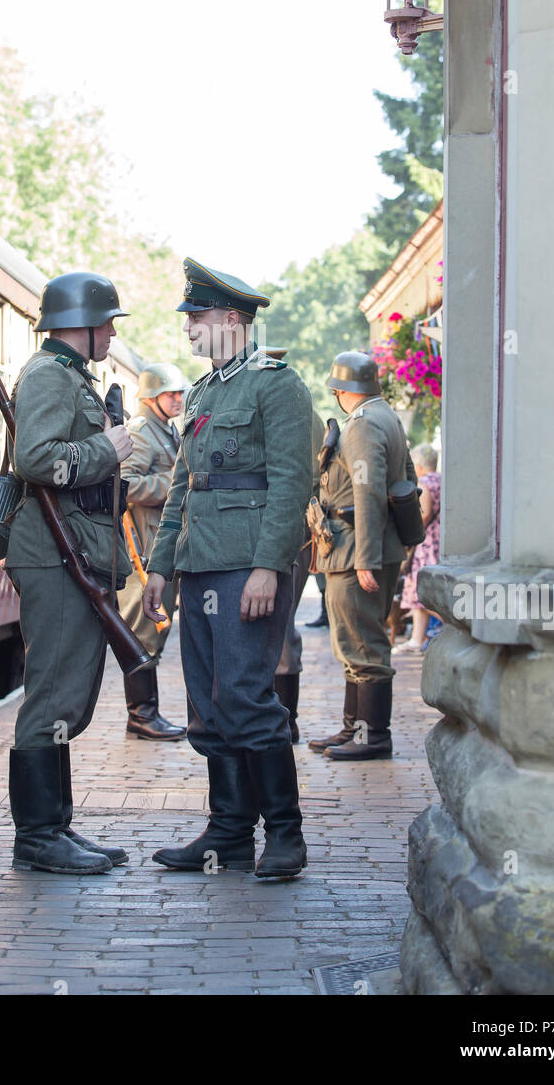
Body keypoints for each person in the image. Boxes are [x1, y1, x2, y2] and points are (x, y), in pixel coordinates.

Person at [142, 258, 313, 879]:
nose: (188, 327)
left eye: (199, 316)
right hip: (200, 566)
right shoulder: (205, 394)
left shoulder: (277, 385)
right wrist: (162, 565)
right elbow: (185, 486)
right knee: (208, 705)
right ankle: (229, 833)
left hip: (248, 566)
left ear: (235, 319)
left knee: (245, 695)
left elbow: (293, 484)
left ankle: (285, 836)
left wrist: (271, 566)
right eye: (188, 317)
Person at [3, 271, 135, 875]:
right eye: (106, 322)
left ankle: (55, 826)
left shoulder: (72, 377)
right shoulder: (50, 376)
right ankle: (36, 837)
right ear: (79, 325)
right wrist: (110, 449)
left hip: (73, 548)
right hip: (54, 554)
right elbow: (35, 458)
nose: (111, 332)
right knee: (54, 693)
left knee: (70, 693)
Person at [307, 350, 417, 762]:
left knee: (363, 646)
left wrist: (366, 557)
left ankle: (373, 736)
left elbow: (367, 491)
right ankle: (354, 728)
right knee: (352, 642)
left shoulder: (364, 424)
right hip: (364, 544)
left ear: (339, 390)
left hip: (357, 548)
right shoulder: (385, 415)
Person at [120, 362, 190, 739]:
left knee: (154, 633)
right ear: (151, 397)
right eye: (170, 393)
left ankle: (146, 715)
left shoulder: (164, 428)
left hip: (160, 546)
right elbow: (126, 486)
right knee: (143, 633)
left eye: (180, 392)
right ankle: (141, 717)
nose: (178, 399)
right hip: (144, 551)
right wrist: (178, 482)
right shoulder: (142, 431)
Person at [262, 347, 325, 743]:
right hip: (284, 528)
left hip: (287, 529)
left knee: (279, 625)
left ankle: (285, 721)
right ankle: (280, 718)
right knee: (273, 624)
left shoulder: (286, 409)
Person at [393, 443, 441, 655]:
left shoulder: (426, 482)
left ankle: (452, 622)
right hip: (438, 539)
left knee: (421, 591)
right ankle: (416, 639)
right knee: (421, 591)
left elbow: (425, 513)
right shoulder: (442, 479)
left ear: (419, 465)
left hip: (427, 541)